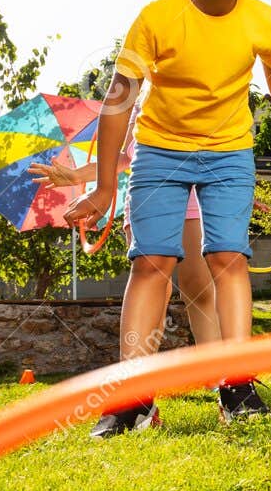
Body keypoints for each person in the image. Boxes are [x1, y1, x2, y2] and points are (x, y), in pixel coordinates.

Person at [64, 0, 271, 435]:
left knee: (229, 260)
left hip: (229, 153)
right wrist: (104, 185)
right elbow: (119, 100)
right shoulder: (156, 19)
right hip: (160, 152)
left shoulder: (262, 20)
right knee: (151, 264)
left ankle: (236, 385)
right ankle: (134, 397)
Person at [30, 106, 221, 348]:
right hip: (147, 195)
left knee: (199, 288)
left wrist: (232, 189)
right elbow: (124, 156)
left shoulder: (205, 96)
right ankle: (139, 367)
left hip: (194, 191)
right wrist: (76, 176)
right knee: (153, 287)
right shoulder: (143, 100)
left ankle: (220, 367)